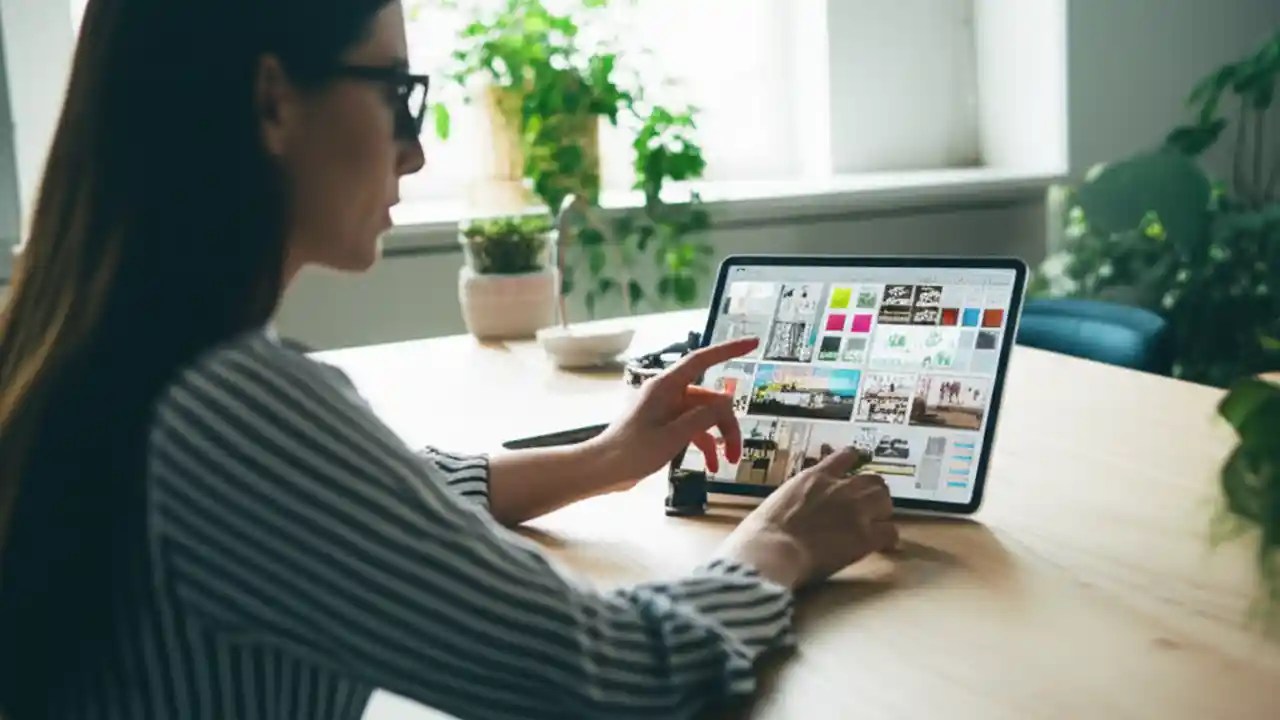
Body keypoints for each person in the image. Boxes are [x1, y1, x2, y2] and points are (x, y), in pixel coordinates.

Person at [0, 1, 898, 718]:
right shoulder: (223, 403)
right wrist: (779, 542)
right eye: (398, 90)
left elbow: (376, 500)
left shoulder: (78, 353)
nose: (417, 146)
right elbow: (625, 680)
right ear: (272, 99)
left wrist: (600, 460)